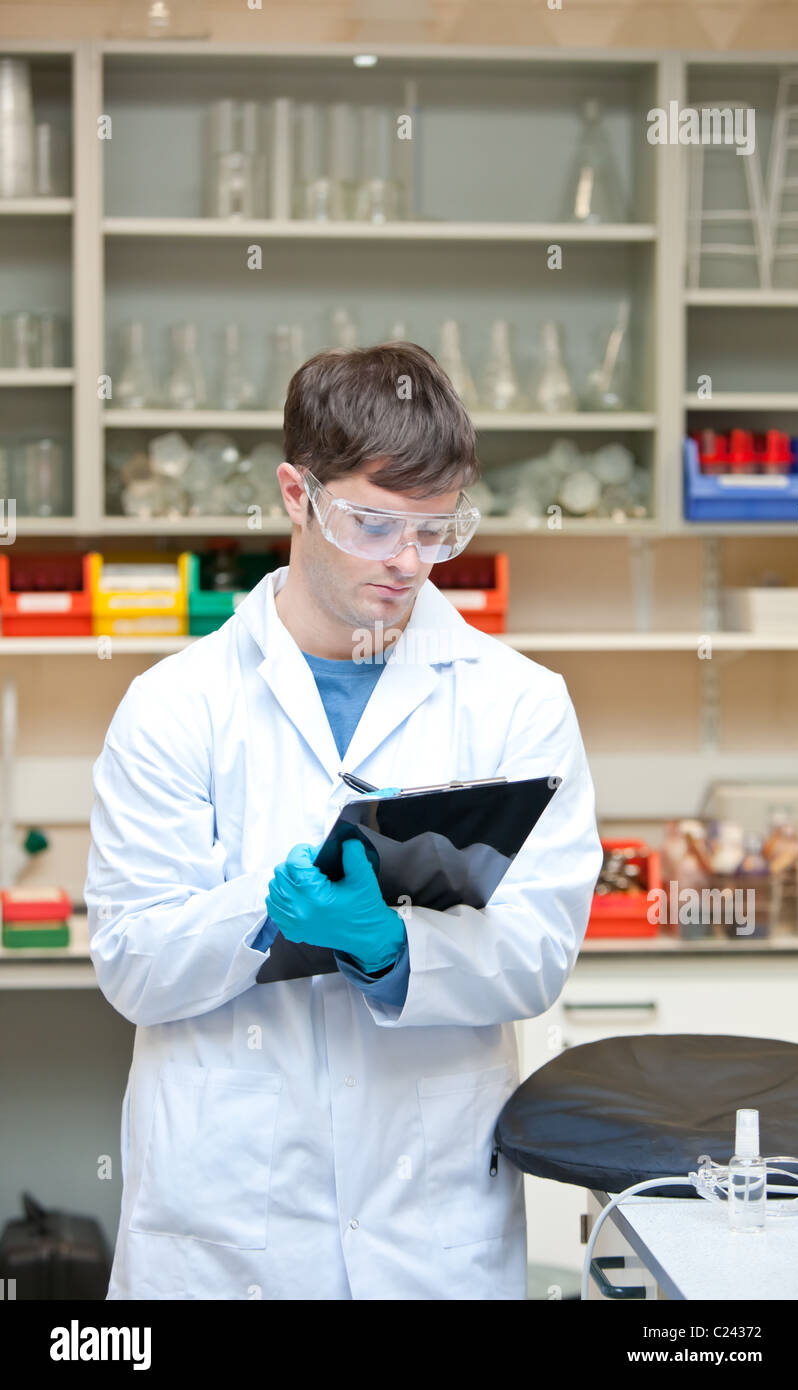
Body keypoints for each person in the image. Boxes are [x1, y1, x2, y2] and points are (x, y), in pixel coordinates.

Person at [84, 341, 603, 1301]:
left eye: (437, 531)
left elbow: (538, 949)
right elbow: (130, 962)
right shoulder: (176, 705)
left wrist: (391, 951)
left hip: (428, 1229)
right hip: (227, 1235)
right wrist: (269, 911)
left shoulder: (518, 705)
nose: (408, 563)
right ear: (296, 494)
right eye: (373, 524)